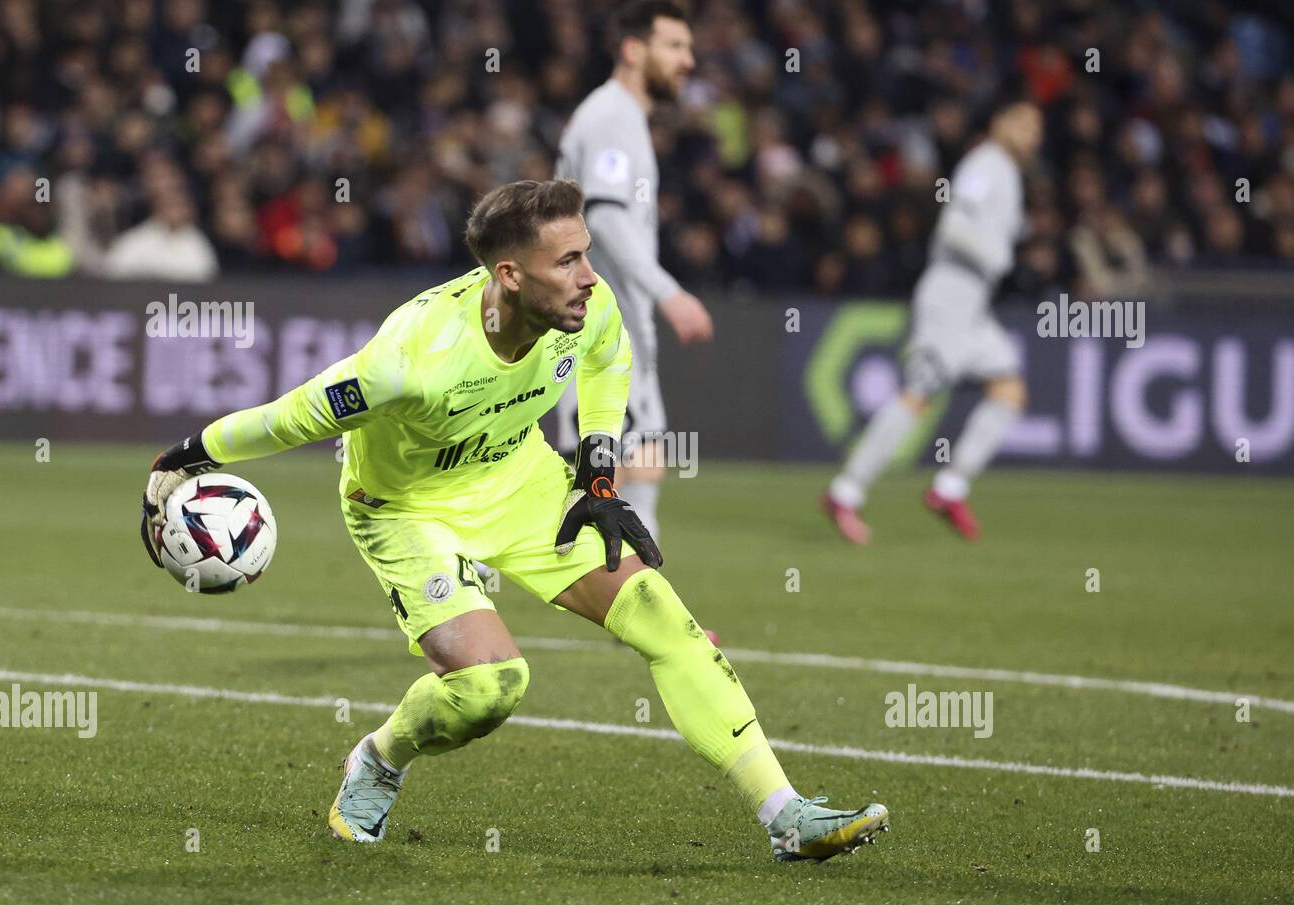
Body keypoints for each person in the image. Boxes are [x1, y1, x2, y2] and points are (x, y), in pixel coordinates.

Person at [139, 178, 889, 862]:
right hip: (406, 510)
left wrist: (597, 474)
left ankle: (786, 815)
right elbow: (289, 416)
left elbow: (607, 362)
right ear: (509, 275)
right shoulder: (410, 358)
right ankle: (379, 757)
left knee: (663, 615)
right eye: (567, 261)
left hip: (520, 480)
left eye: (587, 255)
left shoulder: (583, 302)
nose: (589, 276)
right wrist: (183, 457)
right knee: (492, 687)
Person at [823, 102, 1044, 543]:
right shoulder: (986, 164)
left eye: (1036, 128)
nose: (1030, 135)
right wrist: (996, 255)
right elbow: (952, 227)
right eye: (1021, 123)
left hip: (973, 305)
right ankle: (845, 491)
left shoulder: (1007, 173)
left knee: (1009, 390)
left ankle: (950, 488)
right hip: (950, 296)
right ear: (999, 123)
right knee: (918, 397)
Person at [554, 0, 714, 546]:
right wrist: (671, 294)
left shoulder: (622, 118)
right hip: (594, 332)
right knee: (599, 479)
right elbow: (605, 215)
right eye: (674, 46)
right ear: (633, 49)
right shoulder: (612, 116)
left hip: (613, 329)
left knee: (641, 462)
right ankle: (465, 567)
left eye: (688, 47)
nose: (687, 60)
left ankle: (643, 607)